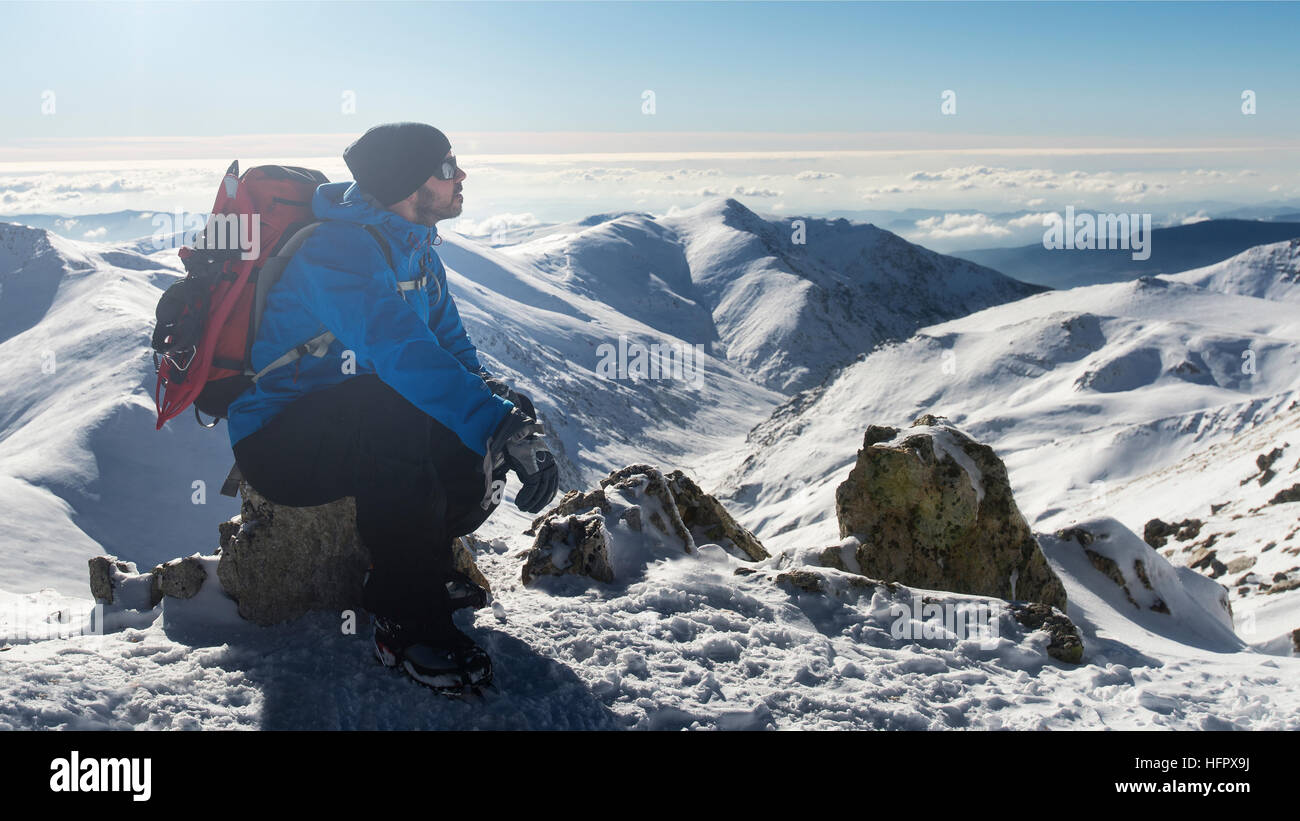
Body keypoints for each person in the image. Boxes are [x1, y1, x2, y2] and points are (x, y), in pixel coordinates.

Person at [227, 122, 559, 692]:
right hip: (280, 441)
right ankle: (403, 620)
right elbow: (402, 355)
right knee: (401, 405)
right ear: (408, 182)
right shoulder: (337, 252)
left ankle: (423, 566)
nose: (460, 177)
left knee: (485, 404)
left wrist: (511, 417)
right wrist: (495, 425)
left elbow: (452, 352)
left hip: (352, 423)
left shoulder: (416, 249)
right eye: (446, 167)